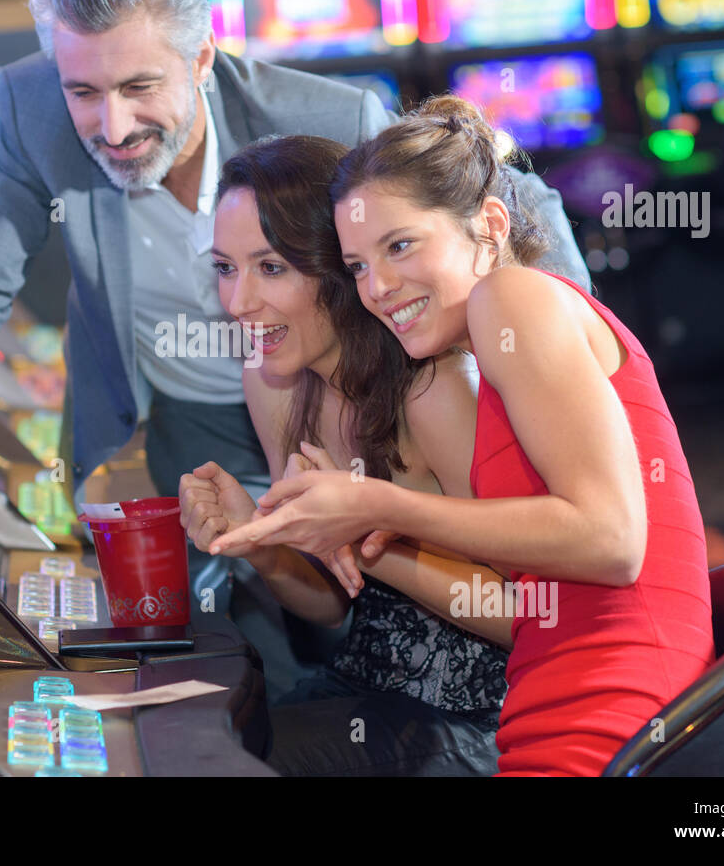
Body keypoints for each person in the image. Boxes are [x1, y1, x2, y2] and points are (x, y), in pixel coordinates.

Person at [0, 0, 587, 690]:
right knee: (235, 669)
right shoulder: (33, 108)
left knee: (362, 635)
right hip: (188, 425)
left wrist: (561, 379)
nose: (113, 128)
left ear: (200, 59)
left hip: (335, 406)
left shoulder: (324, 116)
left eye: (139, 87)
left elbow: (515, 203)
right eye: (83, 92)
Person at [210, 97, 717, 776]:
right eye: (358, 266)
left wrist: (372, 511)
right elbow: (544, 584)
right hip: (557, 687)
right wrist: (285, 536)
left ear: (491, 225)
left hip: (618, 701)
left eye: (400, 246)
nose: (378, 287)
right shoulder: (495, 338)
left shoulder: (510, 299)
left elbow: (614, 544)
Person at [181, 135, 512, 775]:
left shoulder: (434, 386)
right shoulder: (273, 383)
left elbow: (521, 614)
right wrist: (260, 541)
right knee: (187, 743)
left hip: (478, 716)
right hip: (361, 687)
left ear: (337, 266)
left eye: (270, 268)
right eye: (224, 268)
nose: (238, 302)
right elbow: (331, 603)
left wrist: (363, 537)